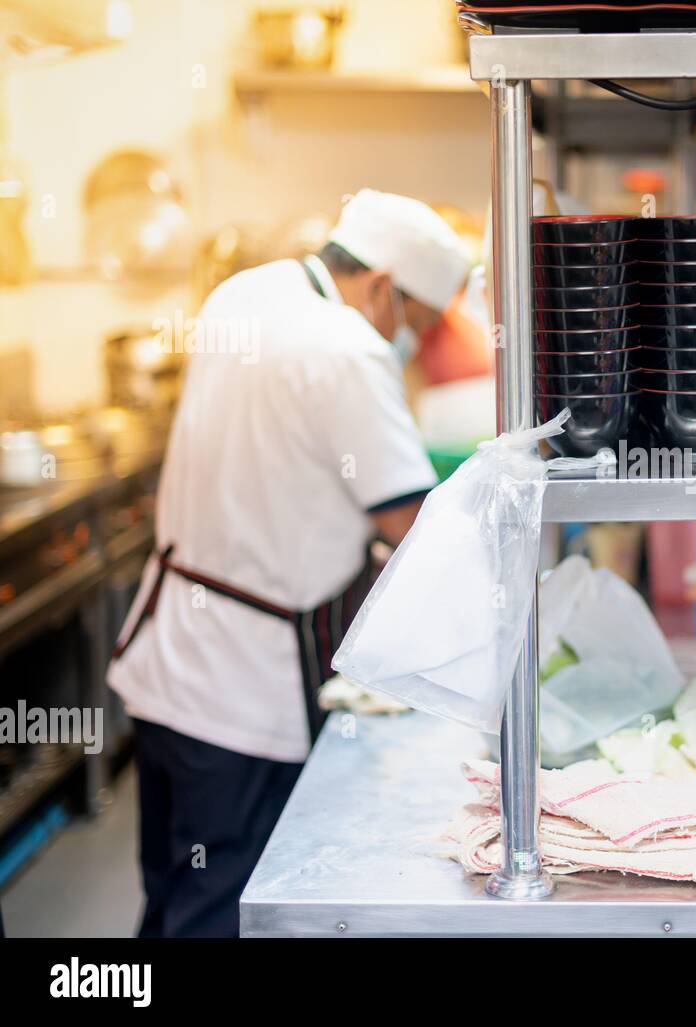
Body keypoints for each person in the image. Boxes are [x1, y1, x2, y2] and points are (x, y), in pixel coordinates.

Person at [108, 189, 471, 937]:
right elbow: (412, 524)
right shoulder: (347, 346)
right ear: (379, 287)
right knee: (218, 904)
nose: (410, 344)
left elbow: (288, 459)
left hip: (166, 658)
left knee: (171, 889)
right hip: (238, 688)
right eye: (418, 323)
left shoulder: (246, 292)